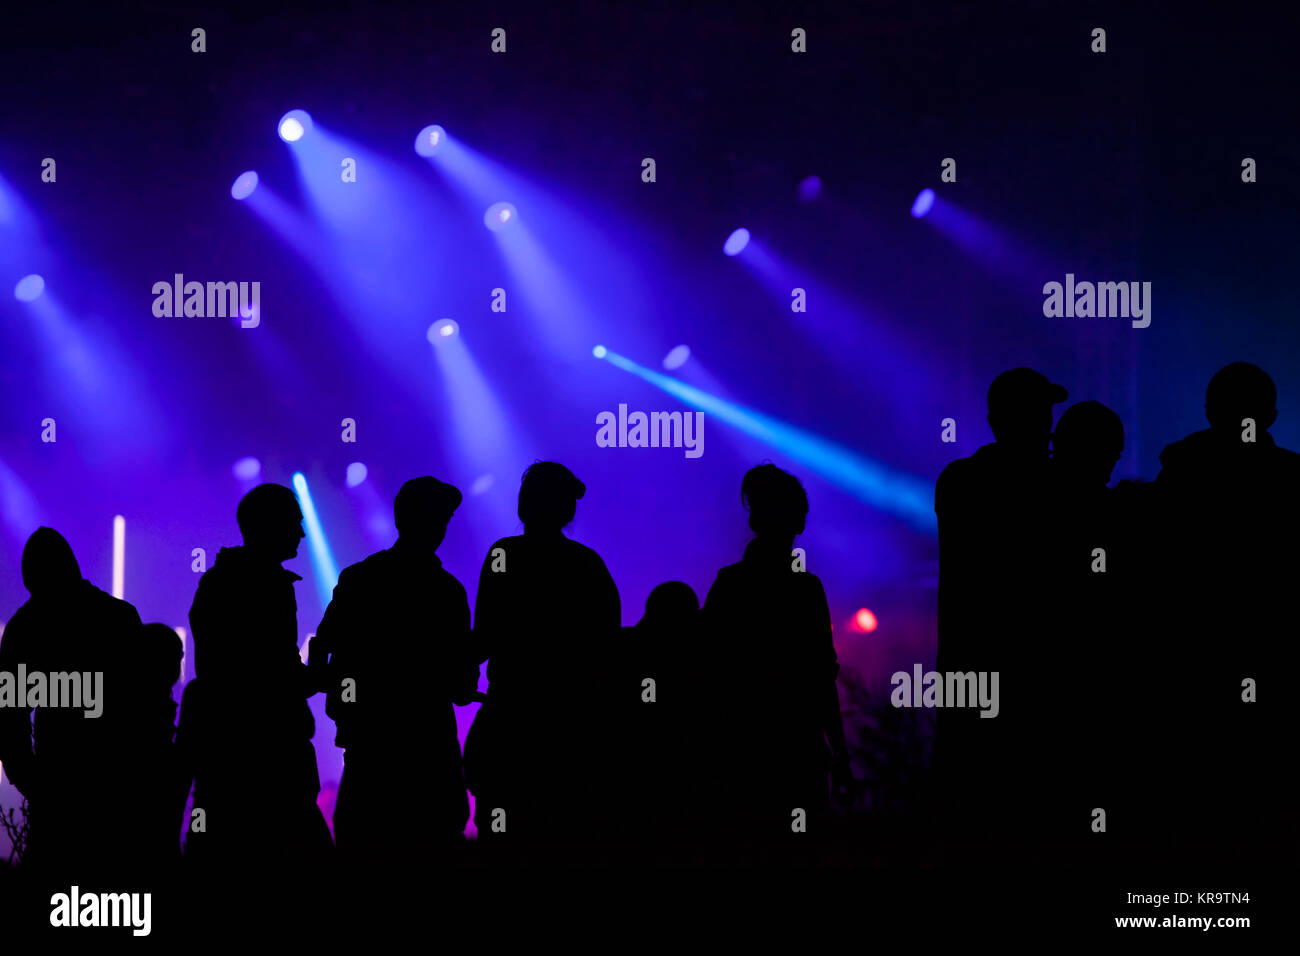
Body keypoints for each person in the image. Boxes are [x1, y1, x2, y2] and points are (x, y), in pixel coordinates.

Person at [1155, 362, 1299, 860]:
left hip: (1196, 670)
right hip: (1274, 667)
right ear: (1272, 414)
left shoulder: (1180, 473)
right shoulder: (1291, 482)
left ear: (1211, 411)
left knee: (1199, 809)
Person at [933, 368, 1067, 857]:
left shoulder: (960, 479)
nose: (1048, 423)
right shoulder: (1046, 484)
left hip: (972, 670)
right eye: (1039, 413)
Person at [311, 476, 478, 862]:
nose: (442, 527)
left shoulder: (360, 579)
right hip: (430, 757)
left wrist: (326, 684)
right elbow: (461, 683)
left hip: (370, 752)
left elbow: (324, 644)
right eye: (439, 518)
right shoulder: (448, 591)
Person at [464, 462, 621, 859]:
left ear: (524, 505)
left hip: (513, 723)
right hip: (572, 730)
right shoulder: (588, 564)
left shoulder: (504, 555)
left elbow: (481, 637)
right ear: (565, 508)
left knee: (505, 836)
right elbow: (608, 651)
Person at [700, 464, 850, 862]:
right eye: (798, 512)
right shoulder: (805, 589)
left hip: (743, 752)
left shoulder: (729, 585)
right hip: (796, 751)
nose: (801, 521)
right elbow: (821, 677)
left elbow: (708, 672)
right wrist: (839, 751)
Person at [186, 483, 331, 869]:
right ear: (272, 525)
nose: (302, 532)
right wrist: (317, 674)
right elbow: (271, 678)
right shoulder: (267, 586)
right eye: (295, 522)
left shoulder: (221, 582)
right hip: (270, 767)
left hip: (230, 762)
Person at [0, 528, 142, 875]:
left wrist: (32, 782)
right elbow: (142, 705)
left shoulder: (24, 627)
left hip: (58, 782)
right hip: (117, 783)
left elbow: (11, 718)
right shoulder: (120, 617)